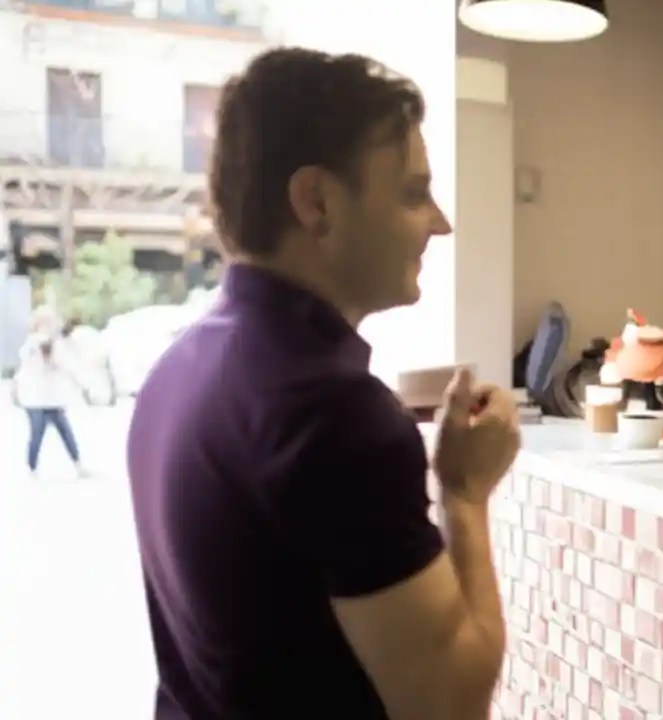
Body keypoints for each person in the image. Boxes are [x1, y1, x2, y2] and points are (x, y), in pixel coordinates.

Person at [127, 48, 520, 720]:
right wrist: (463, 492)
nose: (440, 222)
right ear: (316, 202)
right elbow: (448, 708)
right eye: (412, 192)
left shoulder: (180, 366)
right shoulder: (331, 412)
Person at [12, 314, 87, 479]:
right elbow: (44, 347)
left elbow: (61, 357)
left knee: (65, 431)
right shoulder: (32, 343)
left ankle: (77, 464)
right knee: (38, 434)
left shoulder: (54, 344)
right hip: (35, 399)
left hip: (51, 398)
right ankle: (32, 468)